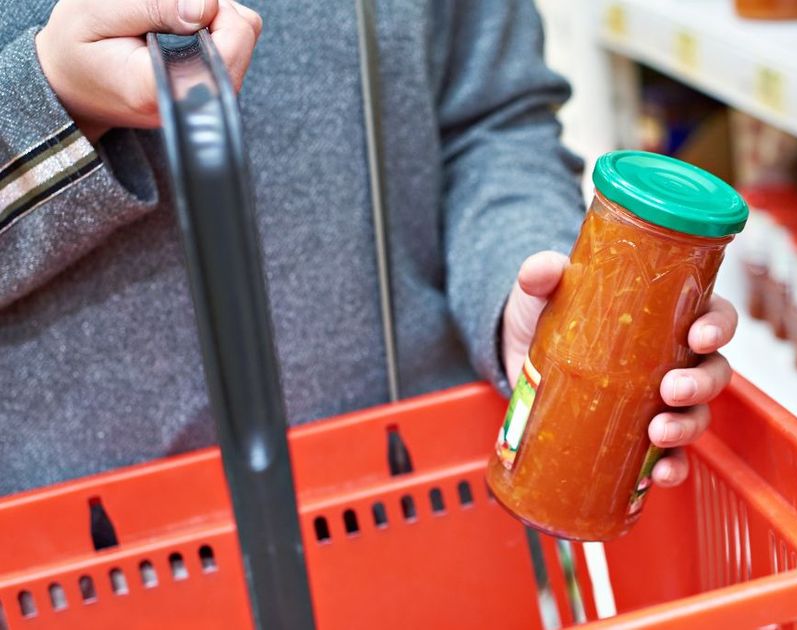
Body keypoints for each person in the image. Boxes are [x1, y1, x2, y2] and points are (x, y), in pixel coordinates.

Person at [0, 0, 738, 495]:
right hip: (90, 545)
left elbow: (491, 119)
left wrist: (525, 298)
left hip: (432, 494)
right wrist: (51, 96)